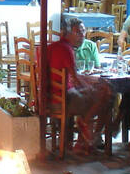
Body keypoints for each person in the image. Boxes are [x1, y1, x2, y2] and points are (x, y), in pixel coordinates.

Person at [40, 17, 110, 154]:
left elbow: (72, 77)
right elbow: (75, 78)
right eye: (78, 32)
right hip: (61, 100)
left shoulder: (51, 47)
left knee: (96, 94)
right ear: (66, 33)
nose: (82, 35)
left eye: (83, 31)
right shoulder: (66, 49)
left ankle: (83, 138)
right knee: (105, 97)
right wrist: (89, 89)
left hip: (51, 96)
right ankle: (89, 136)